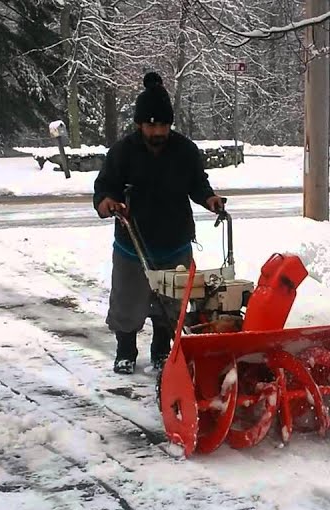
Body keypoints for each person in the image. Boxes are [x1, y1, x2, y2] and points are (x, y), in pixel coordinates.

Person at [94, 71, 225, 374]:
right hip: (133, 242)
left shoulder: (185, 151)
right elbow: (105, 187)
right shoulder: (123, 152)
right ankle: (125, 349)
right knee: (128, 302)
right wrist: (107, 204)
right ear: (140, 124)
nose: (158, 132)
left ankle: (161, 350)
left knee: (172, 305)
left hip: (175, 242)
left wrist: (210, 200)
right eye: (152, 125)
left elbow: (198, 184)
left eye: (164, 125)